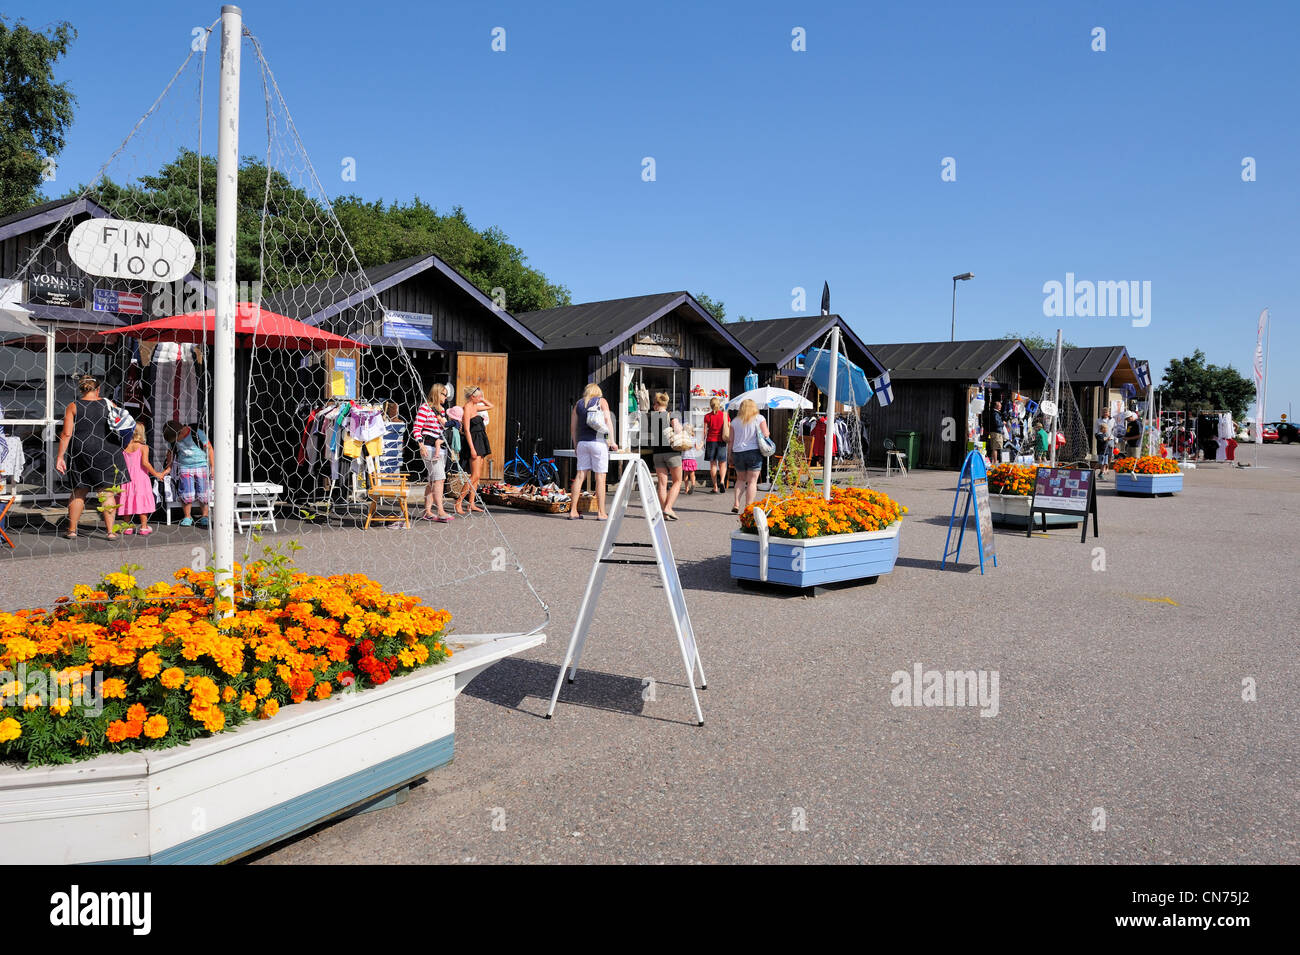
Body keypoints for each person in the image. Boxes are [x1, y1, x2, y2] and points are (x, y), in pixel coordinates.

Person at [54, 375, 126, 540]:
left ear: (81, 390)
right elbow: (121, 425)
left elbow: (66, 434)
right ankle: (110, 531)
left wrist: (60, 456)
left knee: (79, 491)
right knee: (107, 493)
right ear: (98, 389)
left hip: (83, 451)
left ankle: (72, 530)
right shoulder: (109, 404)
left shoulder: (73, 406)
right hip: (108, 450)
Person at [567, 383, 618, 521]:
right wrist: (611, 441)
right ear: (598, 392)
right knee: (600, 478)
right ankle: (601, 513)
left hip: (582, 443)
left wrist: (576, 445)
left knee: (579, 476)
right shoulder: (602, 401)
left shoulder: (578, 404)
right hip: (598, 443)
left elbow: (573, 428)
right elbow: (607, 422)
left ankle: (573, 511)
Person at [162, 421, 214, 528]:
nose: (176, 442)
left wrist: (213, 467)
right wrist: (168, 468)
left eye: (177, 440)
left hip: (201, 465)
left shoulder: (197, 433)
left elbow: (209, 449)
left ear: (180, 433)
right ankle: (187, 516)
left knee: (203, 492)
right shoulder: (173, 438)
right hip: (185, 467)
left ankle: (204, 515)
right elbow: (170, 453)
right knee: (186, 492)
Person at [117, 423, 165, 536]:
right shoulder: (143, 447)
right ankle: (143, 527)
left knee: (127, 501)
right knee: (141, 502)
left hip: (126, 478)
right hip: (140, 478)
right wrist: (156, 474)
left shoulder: (124, 446)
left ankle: (127, 526)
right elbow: (145, 463)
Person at [413, 383, 452, 523]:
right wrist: (420, 444)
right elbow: (417, 428)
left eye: (446, 395)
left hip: (440, 447)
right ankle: (440, 511)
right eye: (443, 394)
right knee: (439, 479)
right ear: (436, 393)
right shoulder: (425, 408)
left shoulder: (442, 410)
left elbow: (444, 430)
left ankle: (428, 511)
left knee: (432, 480)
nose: (446, 397)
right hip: (428, 447)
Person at [455, 385, 494, 515]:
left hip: (481, 440)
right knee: (474, 475)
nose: (481, 398)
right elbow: (466, 430)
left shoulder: (475, 406)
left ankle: (471, 503)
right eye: (479, 396)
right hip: (474, 442)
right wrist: (472, 448)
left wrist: (482, 398)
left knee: (478, 476)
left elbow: (491, 406)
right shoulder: (467, 408)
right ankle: (459, 501)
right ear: (472, 397)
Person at [729, 398, 770, 515]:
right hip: (754, 451)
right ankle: (748, 507)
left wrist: (729, 455)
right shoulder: (759, 418)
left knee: (740, 479)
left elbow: (731, 441)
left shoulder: (734, 421)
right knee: (752, 482)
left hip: (738, 452)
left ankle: (736, 504)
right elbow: (766, 434)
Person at [648, 392, 684, 520]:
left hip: (657, 453)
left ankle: (664, 513)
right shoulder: (671, 414)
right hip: (672, 452)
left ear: (657, 404)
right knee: (677, 481)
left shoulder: (651, 416)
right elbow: (678, 429)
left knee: (662, 484)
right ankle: (668, 508)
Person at [703, 396, 729, 493]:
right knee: (722, 463)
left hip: (711, 441)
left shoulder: (707, 416)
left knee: (713, 464)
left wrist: (702, 441)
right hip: (721, 441)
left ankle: (715, 487)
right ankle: (722, 481)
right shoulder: (724, 415)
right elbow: (728, 427)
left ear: (710, 405)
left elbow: (705, 431)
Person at [1094, 410, 1114, 478]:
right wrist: (1107, 439)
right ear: (1102, 429)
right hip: (1101, 451)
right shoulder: (1099, 434)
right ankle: (1092, 471)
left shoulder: (1104, 434)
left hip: (1106, 451)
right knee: (1100, 463)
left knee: (1105, 463)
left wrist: (1110, 439)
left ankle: (1101, 473)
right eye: (1105, 429)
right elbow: (1101, 439)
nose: (1106, 430)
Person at [680, 425, 700, 494]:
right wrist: (702, 445)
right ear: (691, 431)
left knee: (685, 474)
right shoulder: (694, 439)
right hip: (692, 458)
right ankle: (693, 485)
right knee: (692, 474)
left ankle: (686, 489)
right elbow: (697, 448)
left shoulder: (683, 440)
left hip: (685, 458)